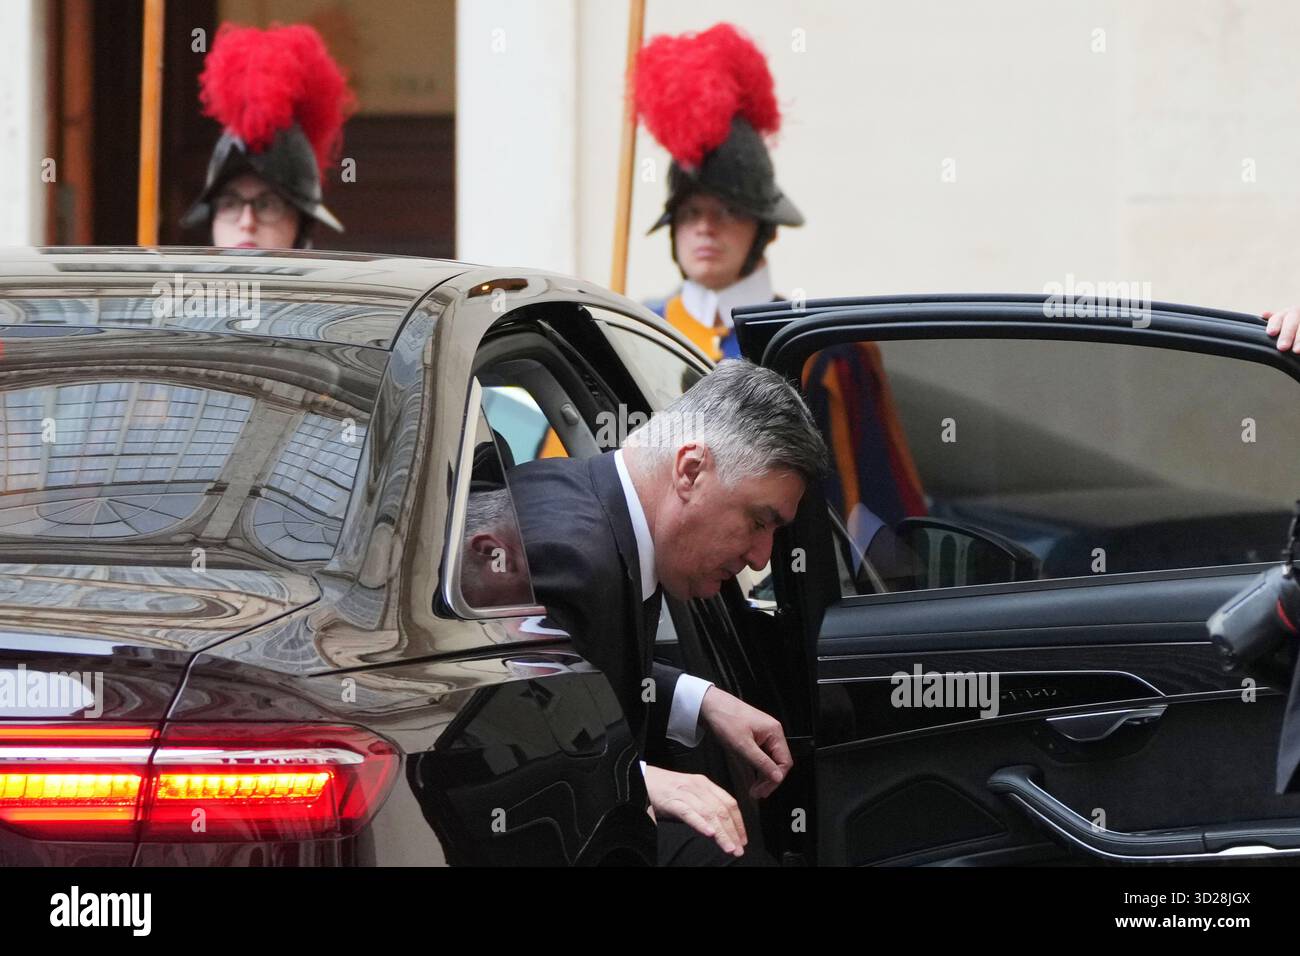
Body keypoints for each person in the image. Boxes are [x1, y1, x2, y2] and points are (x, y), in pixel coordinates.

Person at [507, 360, 829, 864]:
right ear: (690, 470)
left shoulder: (592, 506)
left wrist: (702, 700)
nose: (762, 556)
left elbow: (576, 681)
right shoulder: (565, 559)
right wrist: (640, 781)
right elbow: (498, 736)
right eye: (758, 521)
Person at [180, 23, 354, 250]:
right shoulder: (181, 286)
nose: (246, 223)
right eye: (229, 203)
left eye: (268, 204)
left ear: (302, 222)